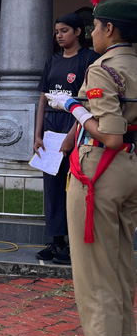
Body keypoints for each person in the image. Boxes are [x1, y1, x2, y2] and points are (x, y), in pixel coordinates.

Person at [47, 0, 137, 336]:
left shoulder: (104, 67)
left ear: (109, 30)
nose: (95, 33)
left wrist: (72, 108)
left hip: (101, 171)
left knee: (95, 278)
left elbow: (110, 134)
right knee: (119, 273)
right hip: (130, 172)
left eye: (97, 26)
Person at [33, 14, 97, 265]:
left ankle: (74, 244)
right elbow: (43, 98)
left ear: (78, 32)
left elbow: (88, 101)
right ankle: (56, 241)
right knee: (52, 187)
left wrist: (72, 136)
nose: (59, 35)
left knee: (75, 187)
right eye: (57, 31)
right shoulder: (52, 60)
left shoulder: (89, 60)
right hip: (51, 126)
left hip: (76, 125)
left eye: (64, 30)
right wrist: (37, 135)